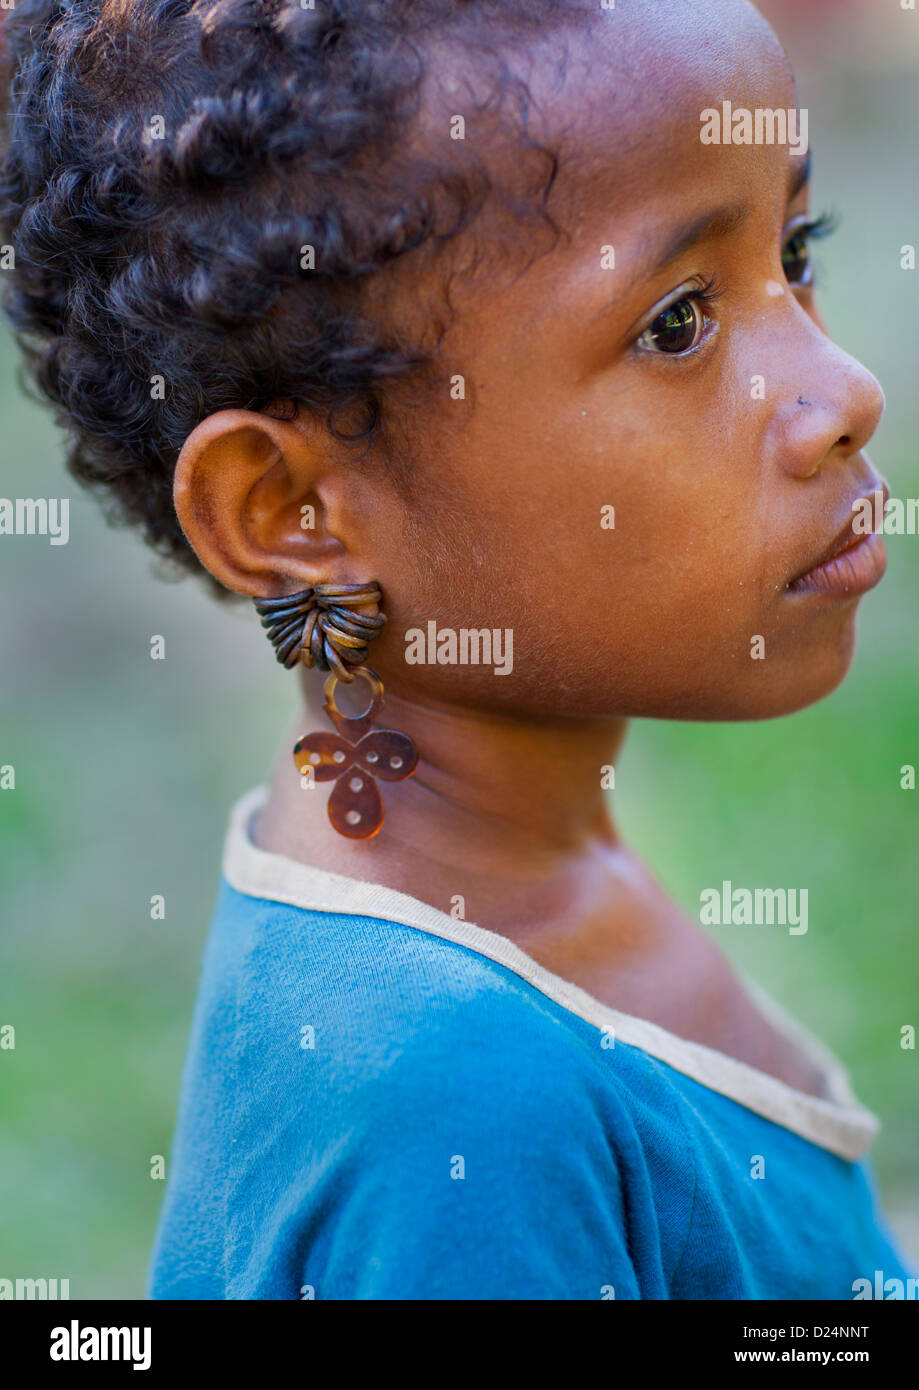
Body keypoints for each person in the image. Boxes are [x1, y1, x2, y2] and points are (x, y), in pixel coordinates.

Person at [0, 0, 911, 1299]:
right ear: (293, 513)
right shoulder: (459, 1112)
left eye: (799, 245)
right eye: (677, 323)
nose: (845, 393)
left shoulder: (506, 878)